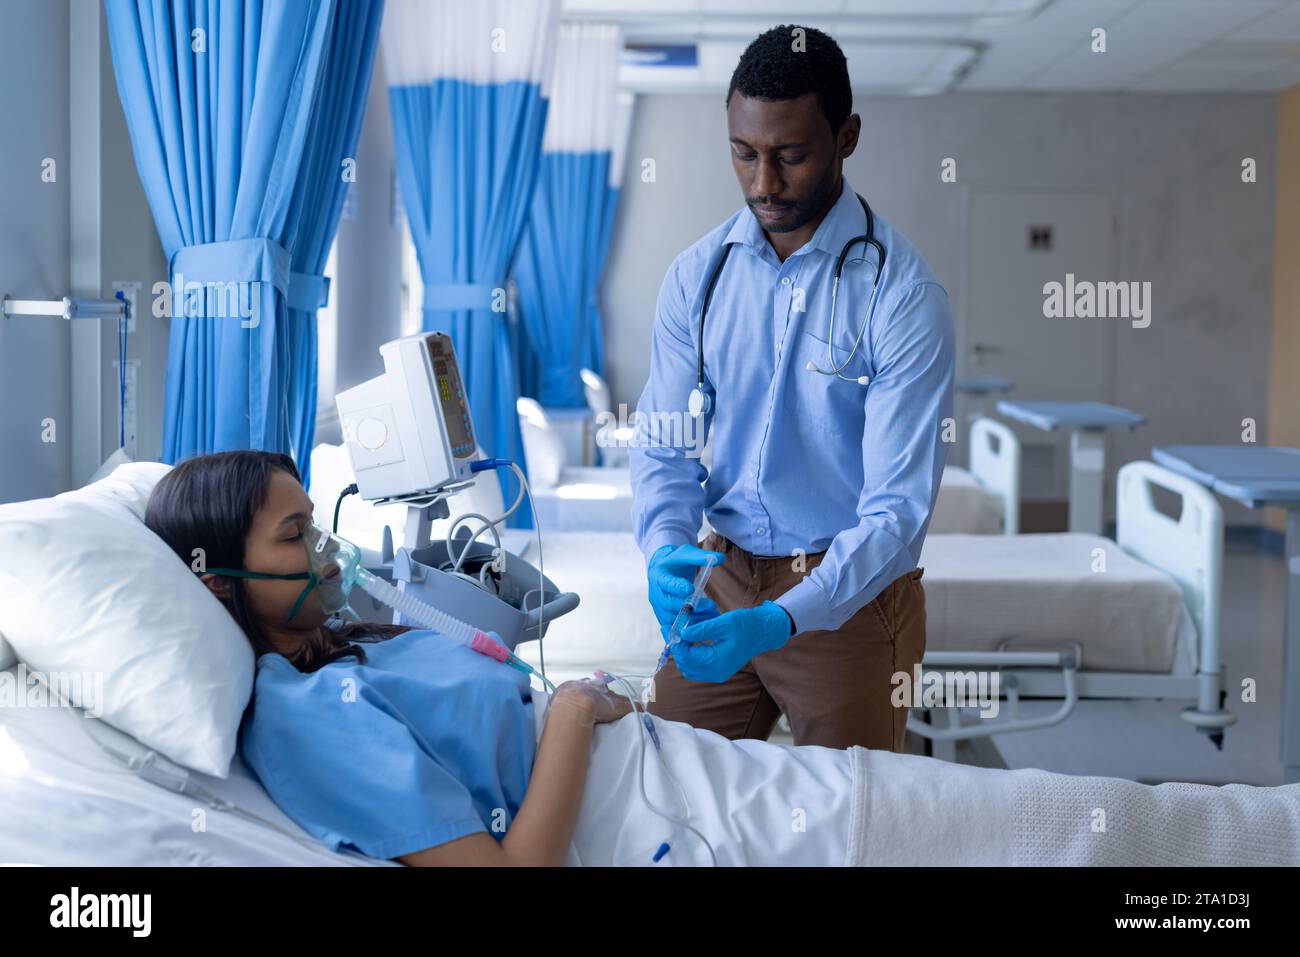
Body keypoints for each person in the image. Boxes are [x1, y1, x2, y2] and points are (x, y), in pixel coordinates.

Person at [630, 25, 955, 750]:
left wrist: (785, 616)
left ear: (847, 137)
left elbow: (897, 512)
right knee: (666, 778)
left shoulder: (900, 294)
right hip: (725, 572)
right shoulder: (697, 277)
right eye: (743, 153)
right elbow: (665, 439)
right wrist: (661, 543)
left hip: (849, 596)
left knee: (849, 824)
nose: (762, 184)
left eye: (790, 156)